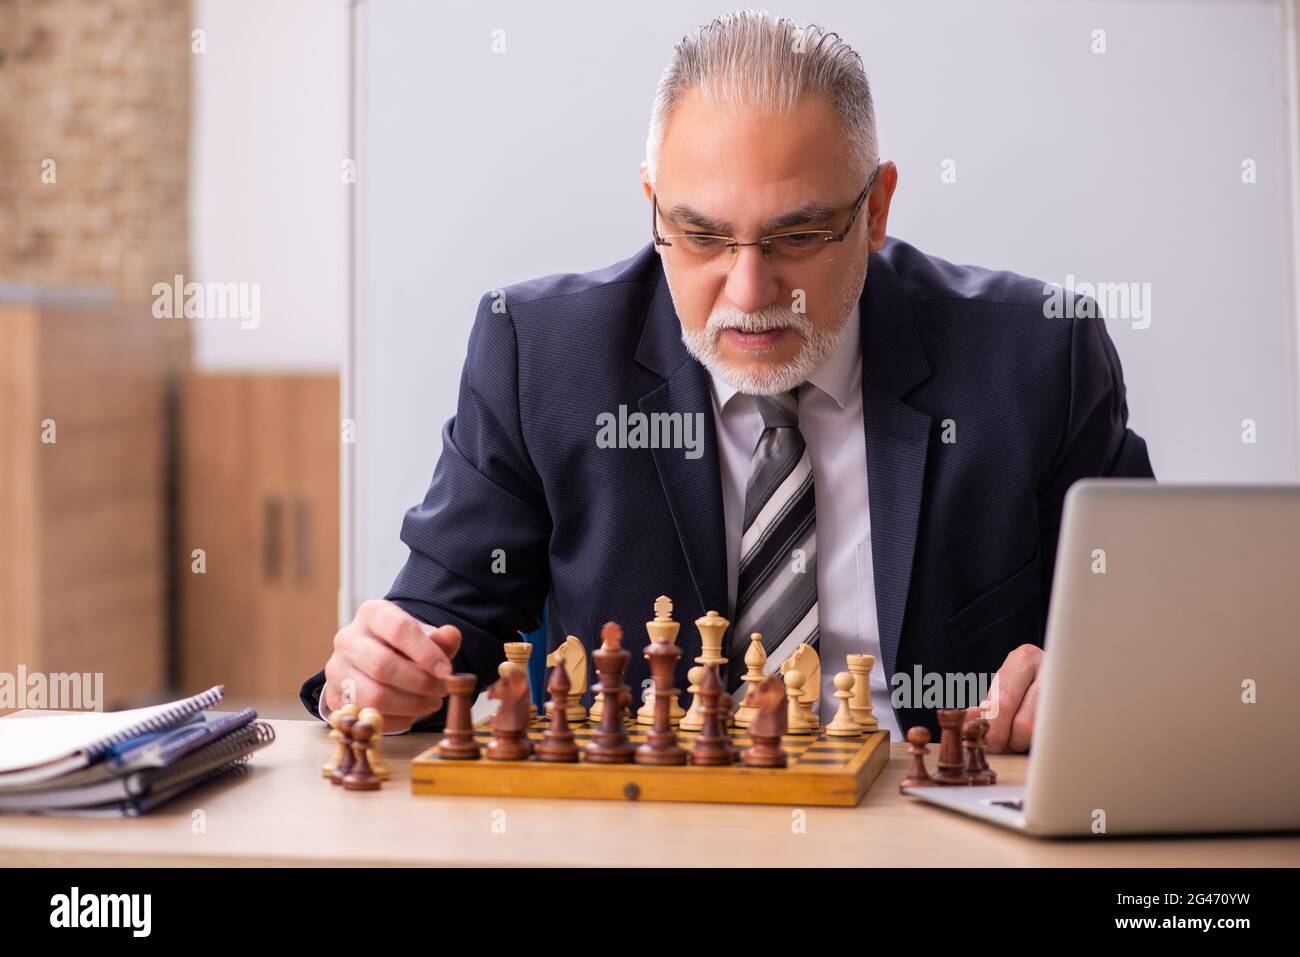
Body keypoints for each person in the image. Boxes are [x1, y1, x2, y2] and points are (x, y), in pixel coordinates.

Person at [300, 10, 1152, 750]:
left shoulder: (1039, 356)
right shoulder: (539, 358)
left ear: (878, 209)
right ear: (653, 207)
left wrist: (1098, 677)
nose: (749, 295)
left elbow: (1160, 633)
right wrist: (372, 680)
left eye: (799, 236)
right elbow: (437, 640)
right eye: (701, 236)